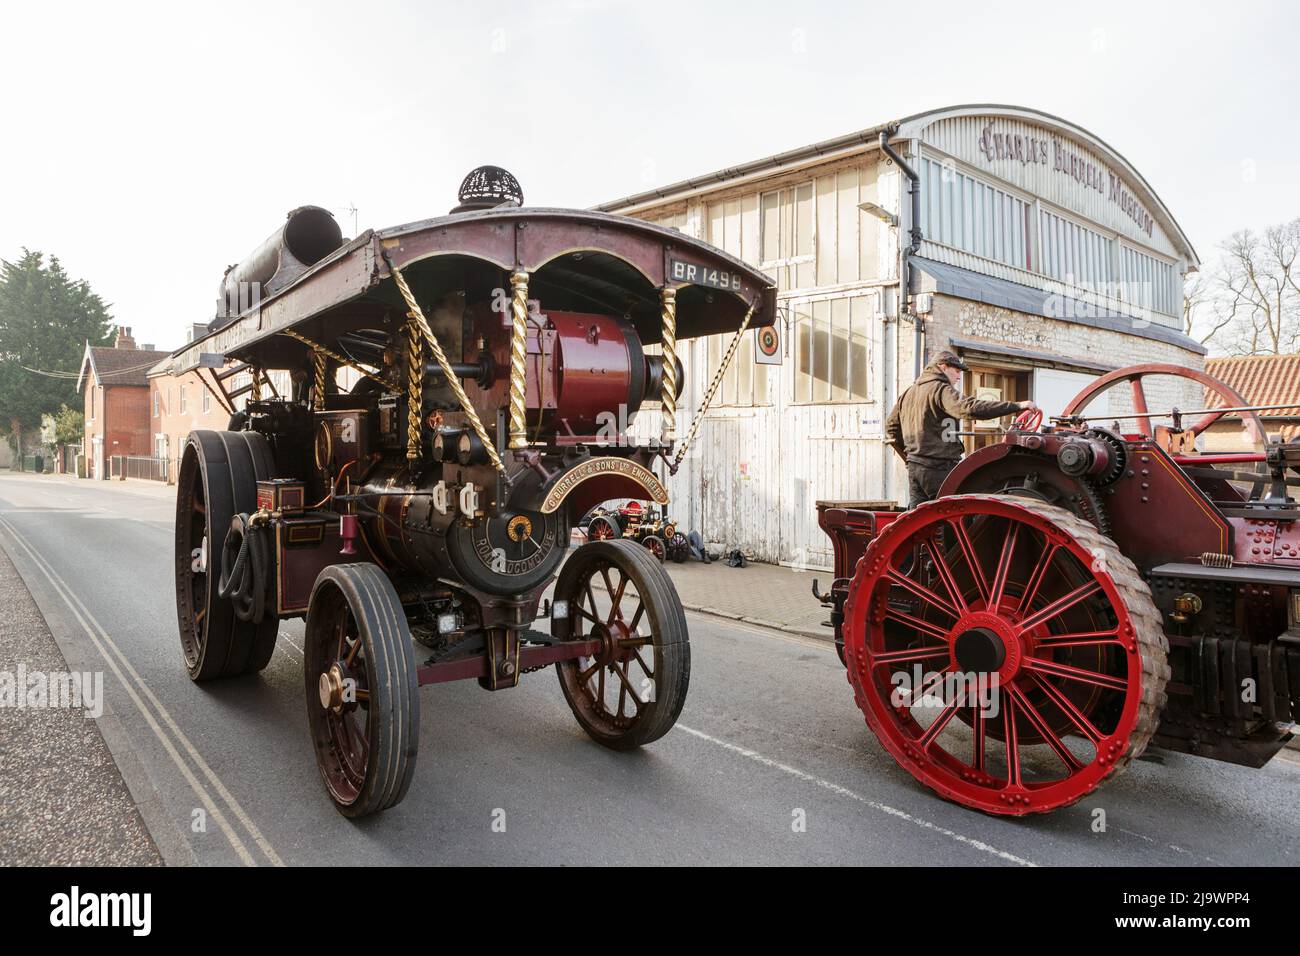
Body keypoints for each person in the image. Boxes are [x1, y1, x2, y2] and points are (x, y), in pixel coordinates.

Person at [885, 350, 1037, 508]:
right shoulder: (940, 389)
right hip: (940, 467)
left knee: (918, 520)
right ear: (943, 367)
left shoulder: (908, 393)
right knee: (951, 517)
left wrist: (911, 456)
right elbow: (970, 408)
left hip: (915, 468)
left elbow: (891, 428)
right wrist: (1017, 406)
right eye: (956, 371)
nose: (959, 377)